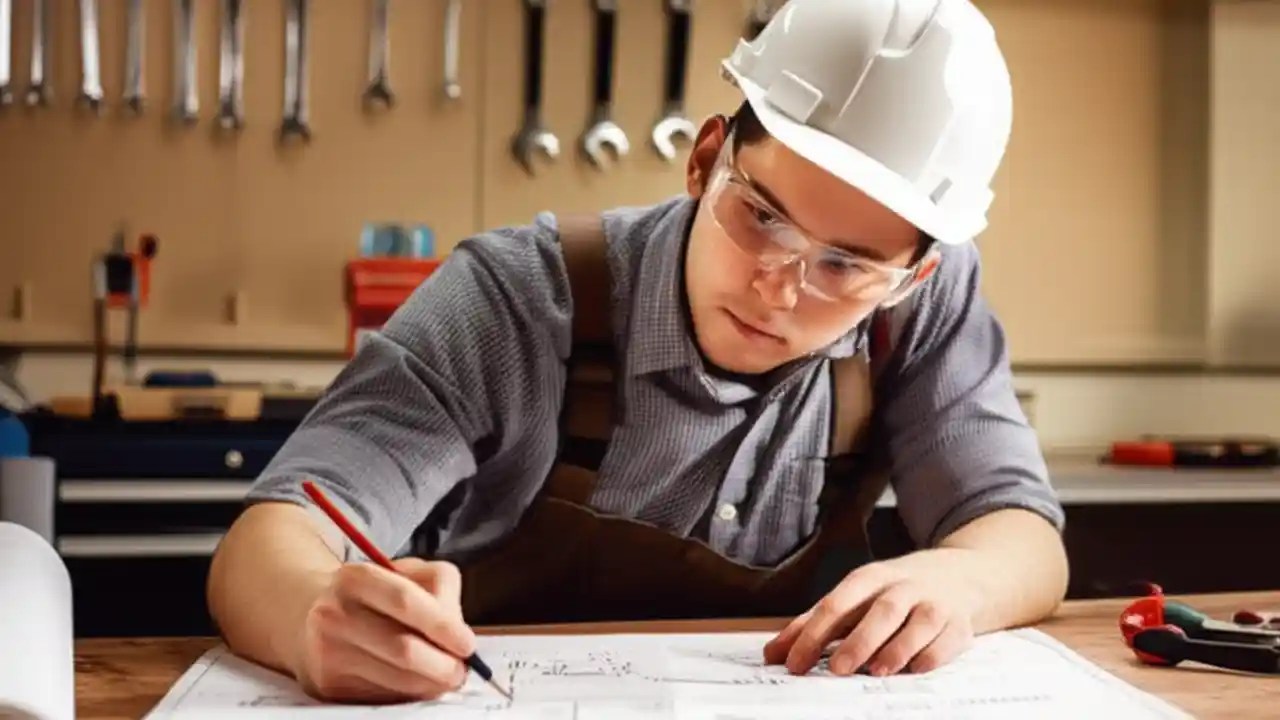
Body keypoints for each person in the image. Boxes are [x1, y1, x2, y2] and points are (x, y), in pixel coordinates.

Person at [208, 0, 1068, 705]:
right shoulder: (516, 298)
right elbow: (266, 545)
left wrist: (961, 582)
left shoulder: (916, 312)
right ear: (706, 160)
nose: (779, 287)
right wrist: (313, 613)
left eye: (844, 266)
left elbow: (1022, 535)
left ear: (914, 276)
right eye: (761, 217)